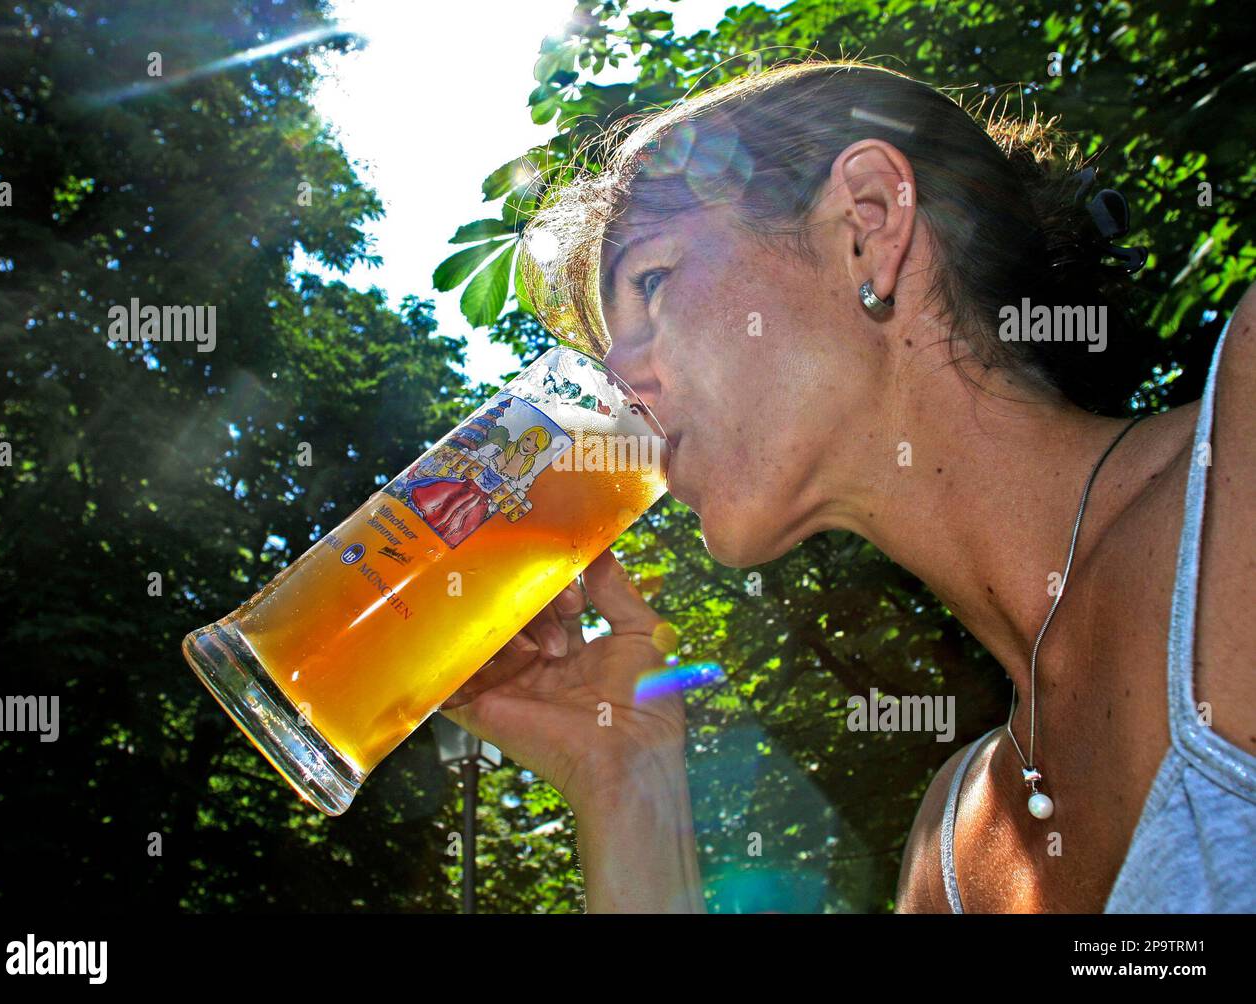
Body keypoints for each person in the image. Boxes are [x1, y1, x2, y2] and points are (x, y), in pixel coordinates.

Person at [439, 60, 1256, 913]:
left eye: (652, 282)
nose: (615, 379)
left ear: (868, 223)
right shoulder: (955, 847)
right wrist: (624, 782)